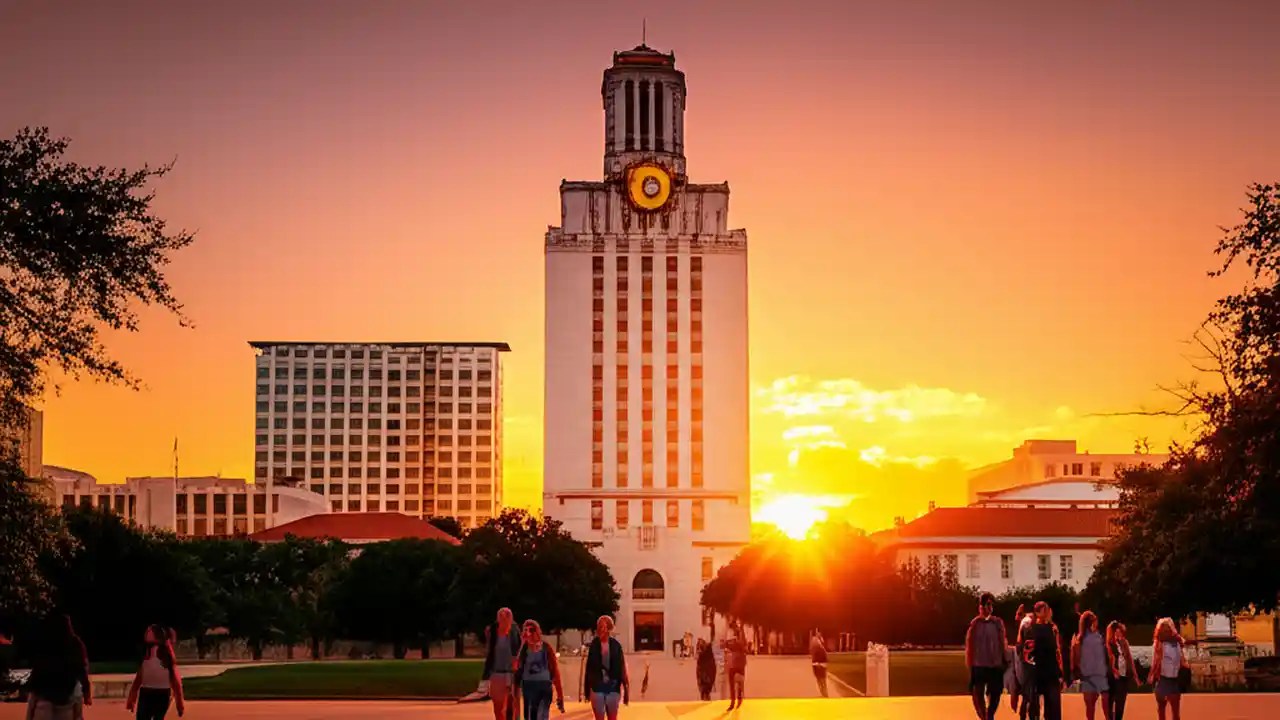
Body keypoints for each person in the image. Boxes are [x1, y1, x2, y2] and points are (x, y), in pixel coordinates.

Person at [24, 614, 91, 720]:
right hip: (66, 701)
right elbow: (81, 669)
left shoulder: (44, 643)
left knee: (34, 699)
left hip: (43, 701)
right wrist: (87, 692)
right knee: (77, 691)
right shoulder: (74, 643)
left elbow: (37, 670)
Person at [126, 625, 186, 720]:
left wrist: (179, 703)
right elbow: (139, 678)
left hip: (162, 693)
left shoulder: (166, 655)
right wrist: (132, 697)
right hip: (147, 692)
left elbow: (176, 680)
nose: (146, 633)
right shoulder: (145, 654)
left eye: (150, 631)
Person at [965, 592, 1008, 720]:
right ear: (981, 606)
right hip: (979, 664)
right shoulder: (975, 624)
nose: (989, 608)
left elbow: (1002, 641)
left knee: (995, 693)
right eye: (986, 604)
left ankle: (990, 715)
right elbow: (970, 645)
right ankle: (983, 716)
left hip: (995, 664)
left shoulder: (997, 623)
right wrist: (970, 663)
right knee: (977, 694)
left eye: (990, 605)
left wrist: (1004, 658)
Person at [515, 620, 564, 720]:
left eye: (532, 630)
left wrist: (560, 694)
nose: (529, 633)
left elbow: (554, 670)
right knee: (530, 716)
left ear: (538, 631)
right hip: (529, 686)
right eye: (526, 630)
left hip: (544, 686)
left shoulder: (546, 648)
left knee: (542, 715)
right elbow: (516, 666)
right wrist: (522, 643)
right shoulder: (524, 649)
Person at [583, 615, 628, 720]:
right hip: (597, 687)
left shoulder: (616, 646)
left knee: (612, 717)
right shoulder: (594, 645)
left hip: (613, 687)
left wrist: (626, 689)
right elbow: (589, 668)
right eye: (598, 627)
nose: (600, 630)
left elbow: (622, 667)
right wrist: (587, 690)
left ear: (609, 628)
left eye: (602, 627)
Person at [483, 608, 522, 720]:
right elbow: (490, 654)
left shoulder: (514, 632)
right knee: (498, 708)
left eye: (507, 616)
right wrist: (485, 676)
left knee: (512, 707)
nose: (504, 618)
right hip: (497, 673)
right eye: (501, 616)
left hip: (512, 673)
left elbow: (520, 650)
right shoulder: (493, 632)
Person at [1070, 611, 1110, 720]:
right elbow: (1077, 658)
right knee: (1091, 706)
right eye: (1095, 621)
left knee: (1102, 703)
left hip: (1098, 674)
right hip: (1090, 675)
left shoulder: (1097, 636)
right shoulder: (1081, 639)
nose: (1097, 623)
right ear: (1091, 622)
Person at [1029, 602, 1065, 720]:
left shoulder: (1052, 628)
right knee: (1035, 705)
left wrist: (1060, 671)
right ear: (1038, 612)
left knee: (1053, 706)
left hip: (1051, 670)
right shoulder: (1033, 628)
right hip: (1038, 669)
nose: (1048, 612)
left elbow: (1057, 650)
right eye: (1045, 610)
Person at [1147, 618, 1187, 720]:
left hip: (1172, 679)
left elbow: (1182, 661)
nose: (1166, 631)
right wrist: (1152, 675)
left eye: (1168, 629)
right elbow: (1156, 661)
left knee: (1174, 711)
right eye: (1164, 629)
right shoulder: (1159, 643)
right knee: (1163, 710)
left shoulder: (1176, 643)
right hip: (1164, 679)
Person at [1105, 621, 1135, 720]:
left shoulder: (1123, 643)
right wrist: (1113, 670)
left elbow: (1129, 659)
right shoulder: (1108, 644)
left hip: (1123, 676)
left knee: (1120, 702)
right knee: (1111, 701)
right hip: (1112, 678)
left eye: (1120, 632)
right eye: (1116, 632)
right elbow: (1109, 659)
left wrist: (1134, 675)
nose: (1119, 634)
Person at [1015, 611, 1040, 720]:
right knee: (1032, 692)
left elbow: (1019, 649)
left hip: (1026, 664)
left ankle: (1026, 713)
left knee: (1028, 691)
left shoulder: (1024, 631)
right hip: (1031, 664)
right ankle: (1032, 713)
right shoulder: (1032, 630)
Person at [724, 625, 747, 711]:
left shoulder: (738, 642)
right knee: (736, 684)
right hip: (735, 664)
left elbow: (726, 646)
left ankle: (735, 701)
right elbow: (725, 646)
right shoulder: (734, 642)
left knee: (736, 684)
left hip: (737, 664)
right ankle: (735, 701)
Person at [809, 630, 829, 698]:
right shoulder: (817, 644)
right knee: (821, 680)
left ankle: (824, 693)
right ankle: (824, 693)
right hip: (818, 664)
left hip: (819, 664)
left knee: (821, 680)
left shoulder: (818, 645)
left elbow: (823, 656)